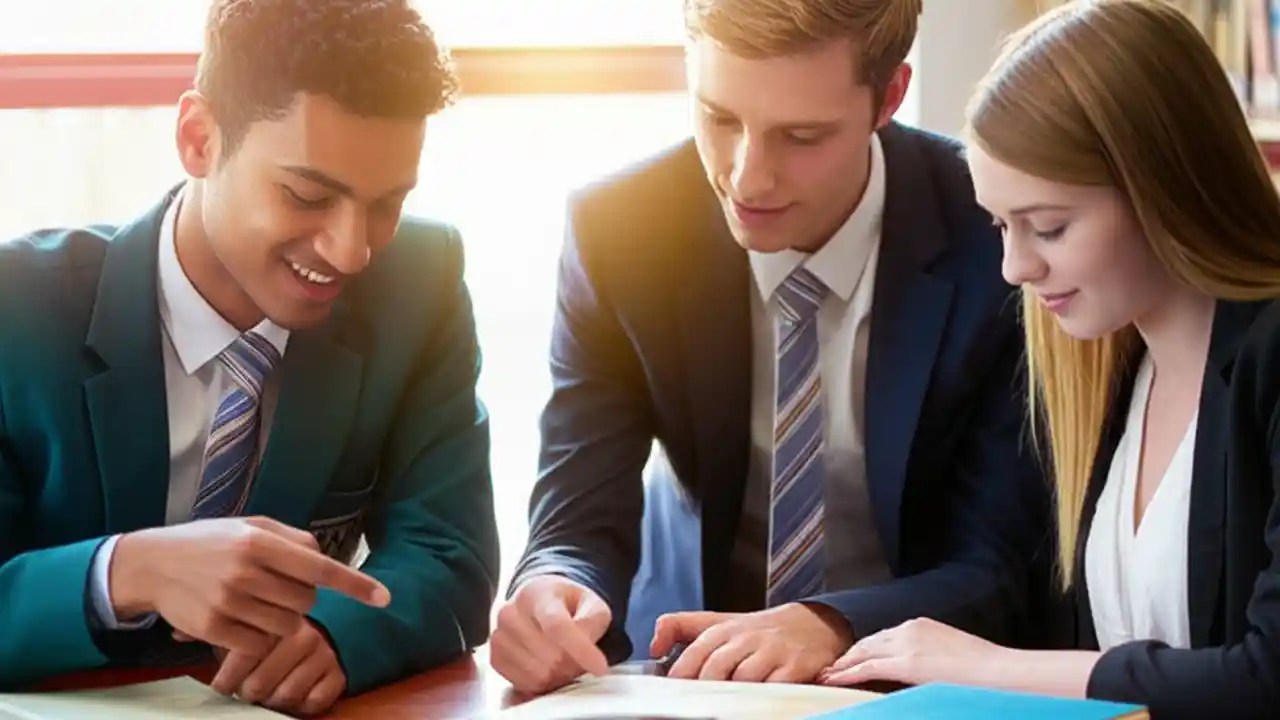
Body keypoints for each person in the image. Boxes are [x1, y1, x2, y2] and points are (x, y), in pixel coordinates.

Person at [492, 0, 1052, 694]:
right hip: (681, 673)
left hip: (914, 680)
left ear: (891, 96)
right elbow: (577, 511)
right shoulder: (618, 231)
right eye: (719, 119)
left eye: (802, 136)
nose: (747, 177)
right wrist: (554, 588)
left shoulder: (994, 234)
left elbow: (999, 564)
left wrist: (833, 622)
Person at [0, 1, 499, 714]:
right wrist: (125, 571)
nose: (351, 249)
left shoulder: (419, 286)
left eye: (386, 203)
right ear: (199, 138)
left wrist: (336, 636)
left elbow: (453, 556)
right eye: (307, 195)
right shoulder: (16, 307)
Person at [817, 1, 1280, 717]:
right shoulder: (1110, 370)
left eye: (1049, 227)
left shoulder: (1268, 361)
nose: (1014, 267)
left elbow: (1269, 677)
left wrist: (989, 667)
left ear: (1163, 186)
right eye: (1002, 225)